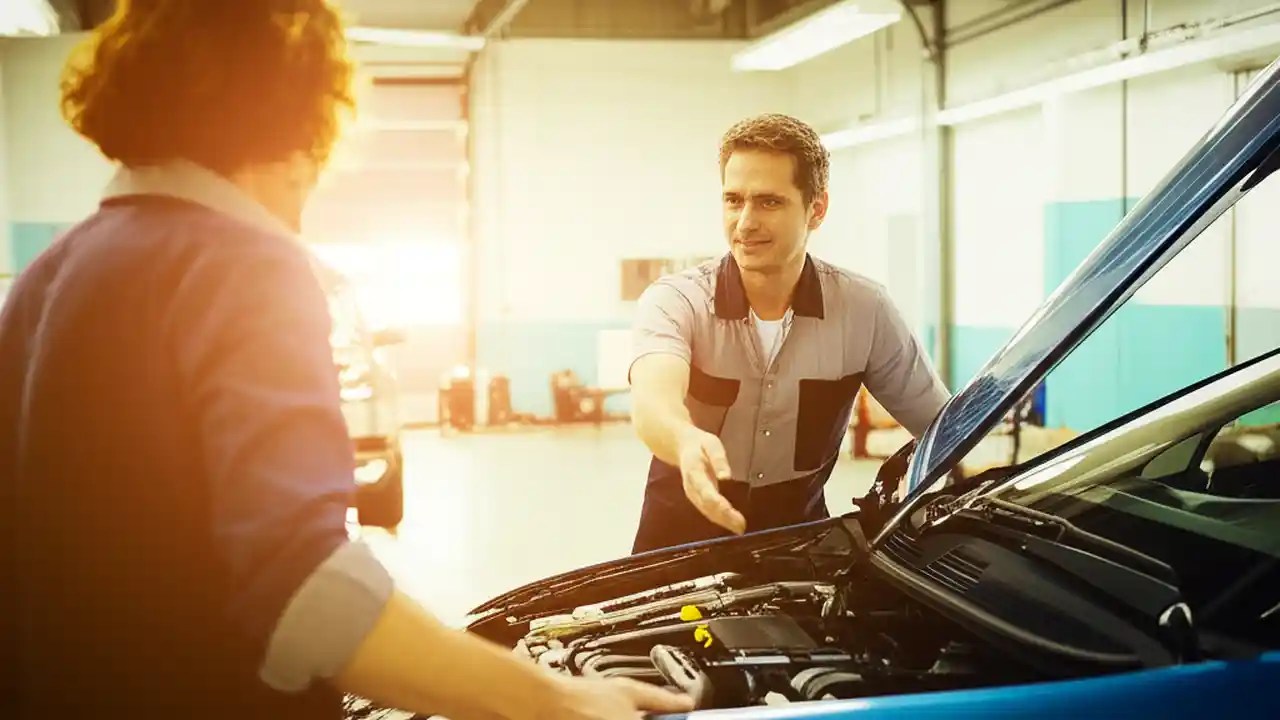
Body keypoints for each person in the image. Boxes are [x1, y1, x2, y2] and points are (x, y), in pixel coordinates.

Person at [0, 2, 693, 718]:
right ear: (295, 123)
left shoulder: (50, 274)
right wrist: (560, 702)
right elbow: (304, 591)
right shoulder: (241, 263)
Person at [627, 113, 951, 554]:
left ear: (816, 209)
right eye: (733, 200)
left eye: (769, 202)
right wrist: (684, 440)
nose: (745, 223)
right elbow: (653, 402)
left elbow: (943, 426)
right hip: (675, 542)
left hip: (796, 545)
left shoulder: (865, 311)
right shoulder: (677, 302)